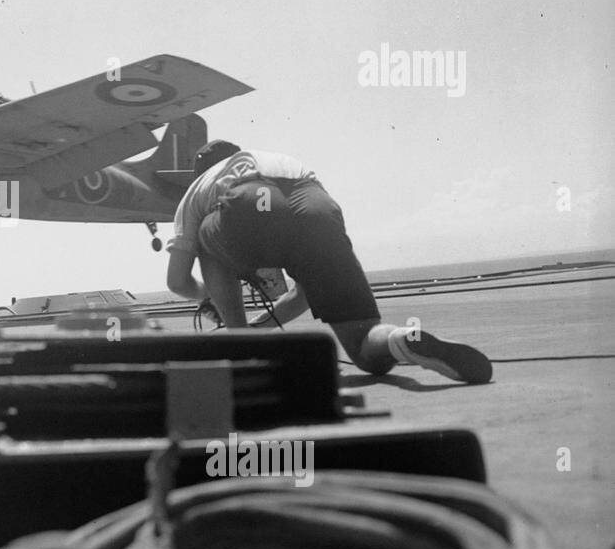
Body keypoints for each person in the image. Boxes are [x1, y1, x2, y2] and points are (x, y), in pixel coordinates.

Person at [165, 140, 492, 384]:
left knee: (203, 242)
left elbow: (178, 282)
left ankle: (242, 345)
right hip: (314, 205)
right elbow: (303, 294)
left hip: (243, 205)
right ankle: (398, 338)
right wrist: (263, 322)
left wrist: (211, 298)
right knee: (367, 353)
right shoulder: (276, 157)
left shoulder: (199, 187)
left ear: (199, 172)